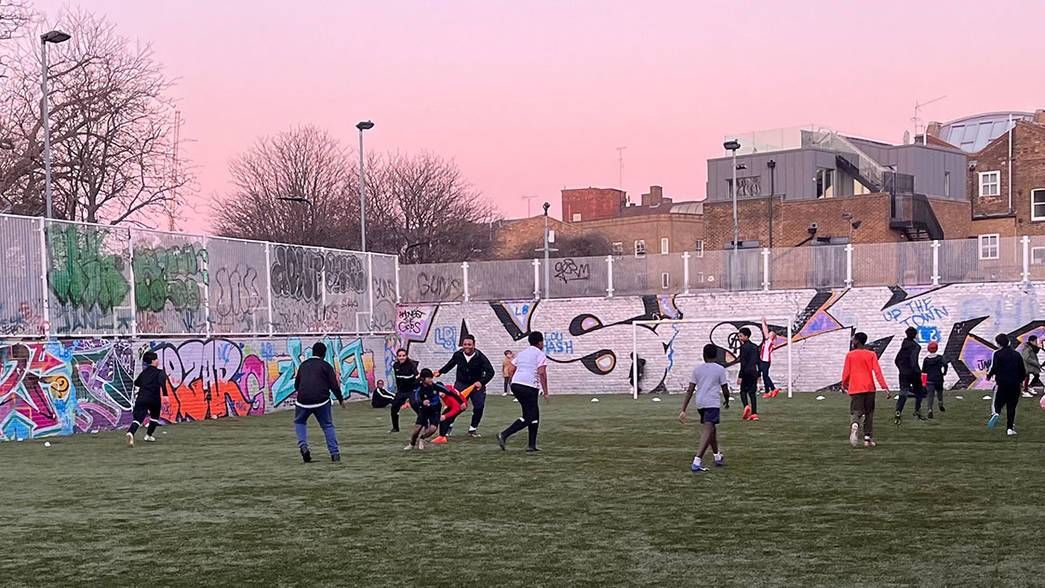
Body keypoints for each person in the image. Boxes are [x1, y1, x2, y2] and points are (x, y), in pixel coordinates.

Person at [679, 343, 731, 472]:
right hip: (712, 403)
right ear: (716, 355)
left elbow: (690, 390)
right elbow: (725, 388)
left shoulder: (697, 370)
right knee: (708, 428)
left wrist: (683, 409)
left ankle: (717, 456)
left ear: (703, 355)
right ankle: (697, 461)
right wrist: (726, 400)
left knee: (712, 429)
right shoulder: (720, 369)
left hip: (700, 403)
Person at [292, 342, 345, 463]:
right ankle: (334, 454)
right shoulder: (326, 366)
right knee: (327, 425)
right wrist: (340, 399)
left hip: (302, 401)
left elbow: (296, 385)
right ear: (324, 354)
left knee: (300, 422)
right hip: (321, 401)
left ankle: (303, 446)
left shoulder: (303, 365)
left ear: (312, 352)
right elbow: (334, 385)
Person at [497, 331, 549, 452]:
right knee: (530, 416)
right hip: (529, 386)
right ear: (540, 342)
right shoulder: (540, 354)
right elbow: (542, 373)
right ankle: (504, 434)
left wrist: (514, 380)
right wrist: (546, 391)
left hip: (517, 384)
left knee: (534, 414)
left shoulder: (522, 353)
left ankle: (531, 445)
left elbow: (510, 368)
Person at [435, 335, 495, 437]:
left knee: (479, 406)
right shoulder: (458, 354)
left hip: (476, 386)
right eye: (465, 344)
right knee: (454, 405)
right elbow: (450, 364)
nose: (467, 346)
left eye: (469, 344)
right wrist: (440, 372)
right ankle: (448, 426)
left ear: (474, 345)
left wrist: (481, 382)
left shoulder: (480, 357)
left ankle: (472, 429)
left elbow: (491, 372)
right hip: (461, 384)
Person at [842, 332, 889, 448]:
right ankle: (867, 439)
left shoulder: (850, 355)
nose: (852, 342)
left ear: (857, 341)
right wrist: (884, 387)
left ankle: (855, 425)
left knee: (856, 411)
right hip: (869, 387)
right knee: (869, 413)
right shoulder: (871, 354)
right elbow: (877, 372)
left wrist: (844, 384)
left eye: (853, 340)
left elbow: (846, 372)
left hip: (856, 387)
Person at [125, 351, 171, 447]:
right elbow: (162, 382)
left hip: (142, 397)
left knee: (138, 419)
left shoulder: (144, 373)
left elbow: (136, 383)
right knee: (154, 416)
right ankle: (149, 435)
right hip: (154, 398)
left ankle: (131, 432)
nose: (158, 361)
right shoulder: (159, 372)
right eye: (157, 359)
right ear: (153, 361)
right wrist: (166, 396)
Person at [987, 334, 1026, 436]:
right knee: (1011, 406)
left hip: (1002, 383)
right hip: (1015, 384)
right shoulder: (1017, 354)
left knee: (997, 403)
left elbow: (994, 368)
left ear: (998, 343)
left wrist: (989, 376)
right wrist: (1020, 381)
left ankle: (996, 413)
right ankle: (1009, 428)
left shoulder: (997, 354)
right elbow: (1023, 370)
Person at [893, 327, 925, 424]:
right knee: (920, 392)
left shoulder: (903, 345)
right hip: (914, 373)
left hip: (903, 373)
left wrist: (902, 370)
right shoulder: (916, 346)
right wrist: (917, 371)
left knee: (903, 392)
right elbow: (913, 361)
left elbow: (896, 360)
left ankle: (898, 411)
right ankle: (917, 411)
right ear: (915, 335)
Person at [406, 369, 443, 450]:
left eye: (431, 378)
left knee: (433, 429)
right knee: (416, 430)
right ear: (423, 379)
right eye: (428, 378)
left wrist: (461, 402)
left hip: (435, 410)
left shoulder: (435, 386)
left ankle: (422, 438)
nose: (431, 380)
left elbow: (448, 391)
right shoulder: (419, 387)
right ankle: (411, 444)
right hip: (424, 410)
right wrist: (422, 402)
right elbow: (416, 398)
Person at [390, 349, 419, 433]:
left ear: (406, 356)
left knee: (415, 405)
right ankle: (395, 428)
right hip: (401, 391)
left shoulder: (411, 365)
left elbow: (417, 377)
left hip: (411, 390)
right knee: (394, 407)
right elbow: (398, 379)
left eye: (403, 356)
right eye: (400, 356)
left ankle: (424, 423)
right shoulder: (395, 366)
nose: (401, 357)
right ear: (397, 357)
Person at [736, 327, 760, 421]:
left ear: (746, 336)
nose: (739, 338)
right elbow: (758, 361)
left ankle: (746, 406)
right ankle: (754, 414)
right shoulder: (755, 347)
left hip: (746, 372)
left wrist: (740, 376)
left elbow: (743, 362)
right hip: (753, 372)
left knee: (743, 391)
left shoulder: (743, 347)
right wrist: (759, 374)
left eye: (741, 336)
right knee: (752, 393)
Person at [922, 342, 948, 419]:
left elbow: (923, 372)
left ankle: (930, 409)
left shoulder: (926, 359)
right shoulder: (940, 358)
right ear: (936, 348)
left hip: (929, 380)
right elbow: (945, 365)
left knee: (930, 395)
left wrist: (923, 382)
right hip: (938, 378)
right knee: (939, 392)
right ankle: (940, 403)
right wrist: (944, 372)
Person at [758, 317, 782, 399]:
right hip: (763, 360)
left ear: (772, 336)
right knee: (765, 376)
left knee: (765, 376)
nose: (768, 334)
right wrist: (764, 323)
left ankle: (770, 390)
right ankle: (770, 390)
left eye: (770, 333)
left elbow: (765, 331)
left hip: (766, 361)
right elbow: (766, 331)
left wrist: (763, 323)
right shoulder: (767, 341)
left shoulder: (770, 341)